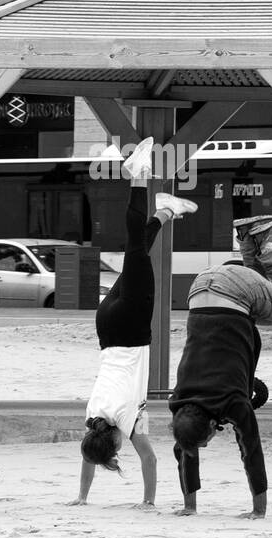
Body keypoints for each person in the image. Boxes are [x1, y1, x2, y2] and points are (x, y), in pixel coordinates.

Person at [70, 137, 198, 509]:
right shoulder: (92, 417)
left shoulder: (127, 421)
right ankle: (164, 212)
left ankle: (138, 176)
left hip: (132, 327)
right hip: (106, 327)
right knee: (135, 255)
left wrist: (148, 503)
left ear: (113, 442)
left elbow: (151, 459)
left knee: (135, 249)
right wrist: (81, 495)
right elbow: (88, 454)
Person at [168, 215, 272, 520]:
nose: (207, 445)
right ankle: (250, 239)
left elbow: (251, 450)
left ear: (210, 426)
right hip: (201, 288)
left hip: (235, 291)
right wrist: (189, 507)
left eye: (206, 440)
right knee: (269, 314)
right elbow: (185, 450)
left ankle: (270, 245)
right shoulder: (179, 402)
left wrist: (258, 511)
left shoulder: (232, 403)